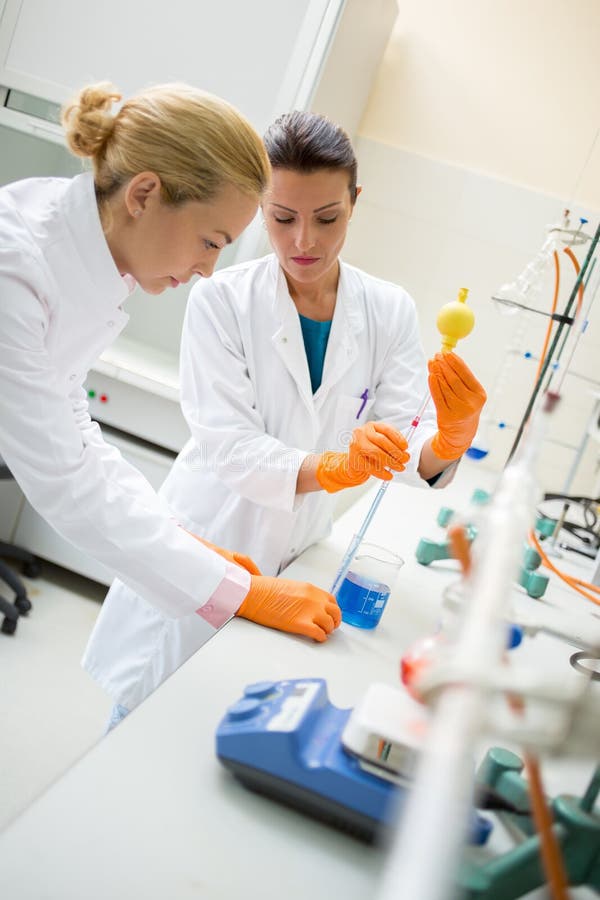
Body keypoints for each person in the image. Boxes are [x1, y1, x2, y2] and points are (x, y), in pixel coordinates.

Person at [83, 110, 486, 719]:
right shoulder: (221, 299)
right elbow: (231, 447)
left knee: (245, 718)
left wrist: (448, 441)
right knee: (150, 716)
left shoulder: (388, 310)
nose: (305, 242)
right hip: (210, 540)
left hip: (299, 554)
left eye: (328, 218)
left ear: (355, 202)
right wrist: (332, 466)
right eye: (282, 218)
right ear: (258, 208)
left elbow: (404, 440)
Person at [0, 85, 341, 715]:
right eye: (210, 241)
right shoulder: (12, 267)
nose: (210, 270)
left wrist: (184, 540)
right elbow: (65, 480)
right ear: (145, 194)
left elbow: (73, 423)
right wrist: (239, 591)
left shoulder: (81, 257)